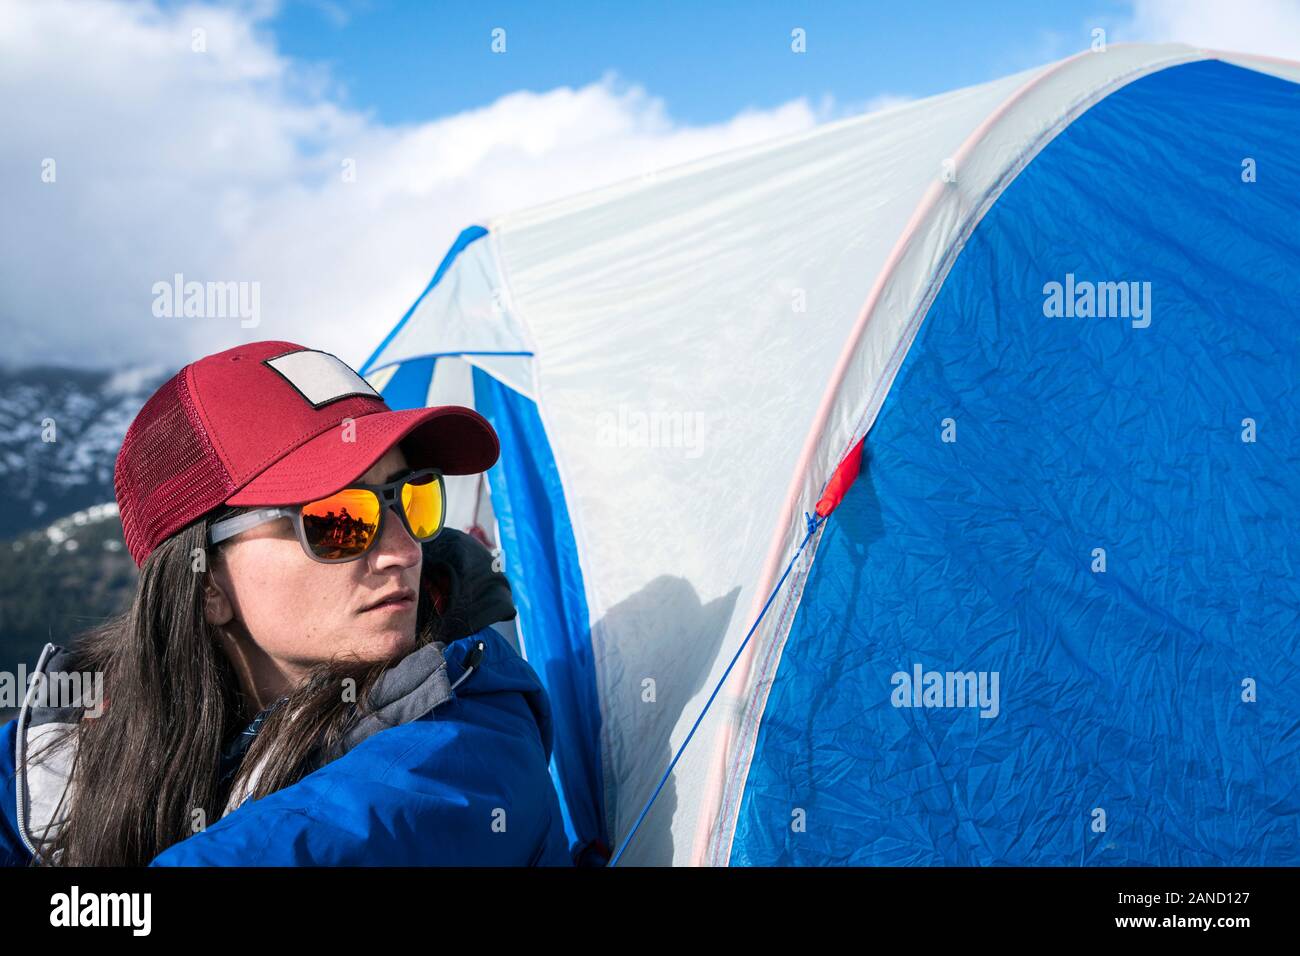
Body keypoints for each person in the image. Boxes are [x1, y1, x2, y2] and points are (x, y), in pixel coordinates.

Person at [0, 340, 575, 866]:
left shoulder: (468, 736)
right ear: (206, 586)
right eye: (338, 520)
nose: (402, 549)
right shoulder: (69, 733)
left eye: (412, 499)